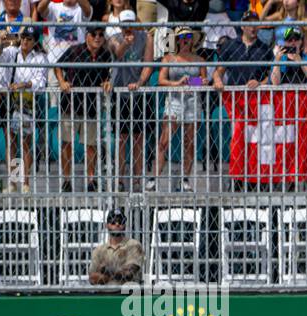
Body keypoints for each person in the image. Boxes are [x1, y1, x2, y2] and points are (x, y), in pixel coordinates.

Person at [0, 25, 49, 194]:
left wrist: (23, 85)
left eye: (29, 39)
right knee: (10, 142)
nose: (25, 41)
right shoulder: (13, 52)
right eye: (23, 37)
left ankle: (25, 182)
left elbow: (40, 81)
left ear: (35, 41)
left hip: (26, 99)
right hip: (9, 98)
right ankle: (13, 181)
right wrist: (3, 43)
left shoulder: (41, 57)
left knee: (25, 142)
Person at [55, 23, 112, 194]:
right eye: (94, 34)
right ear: (87, 35)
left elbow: (106, 76)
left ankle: (91, 180)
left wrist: (107, 82)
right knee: (67, 144)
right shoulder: (75, 51)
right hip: (70, 105)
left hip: (91, 107)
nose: (97, 37)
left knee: (91, 146)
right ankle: (66, 180)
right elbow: (58, 66)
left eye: (101, 34)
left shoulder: (105, 55)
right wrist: (62, 82)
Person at [152, 27, 207, 192]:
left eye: (188, 36)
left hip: (192, 101)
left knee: (189, 143)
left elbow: (205, 81)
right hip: (174, 100)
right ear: (176, 40)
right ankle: (154, 178)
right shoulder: (168, 58)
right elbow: (161, 80)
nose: (184, 40)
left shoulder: (200, 60)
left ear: (193, 40)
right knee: (164, 140)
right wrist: (177, 84)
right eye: (181, 37)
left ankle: (184, 179)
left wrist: (190, 82)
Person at [109, 10, 154, 193]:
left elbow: (148, 64)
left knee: (138, 139)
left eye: (131, 23)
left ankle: (137, 179)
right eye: (124, 24)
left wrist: (140, 83)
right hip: (120, 93)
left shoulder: (146, 37)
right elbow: (117, 54)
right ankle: (119, 179)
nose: (128, 27)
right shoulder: (114, 38)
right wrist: (125, 44)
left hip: (139, 93)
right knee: (121, 139)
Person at [212, 13, 273, 90]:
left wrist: (260, 83)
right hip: (234, 96)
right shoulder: (230, 45)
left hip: (257, 96)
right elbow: (219, 70)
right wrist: (217, 80)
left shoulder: (265, 49)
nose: (253, 27)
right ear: (242, 26)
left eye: (256, 23)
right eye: (249, 24)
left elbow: (273, 75)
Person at [89, 208, 145, 285]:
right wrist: (118, 272)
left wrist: (106, 270)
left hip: (127, 293)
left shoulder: (133, 245)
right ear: (106, 225)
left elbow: (128, 274)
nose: (117, 224)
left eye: (120, 221)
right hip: (104, 293)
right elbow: (92, 279)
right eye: (113, 222)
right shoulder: (99, 250)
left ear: (125, 225)